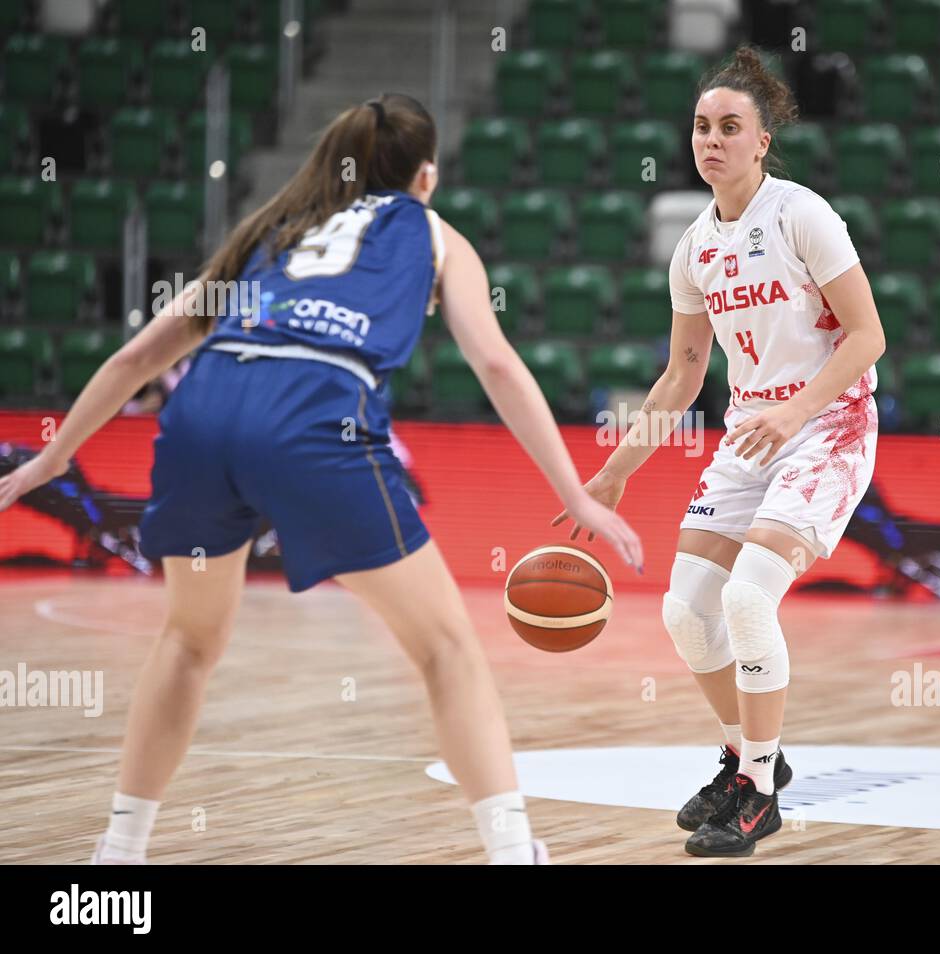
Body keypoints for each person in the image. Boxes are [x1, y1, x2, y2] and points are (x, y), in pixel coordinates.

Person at [0, 93, 642, 866]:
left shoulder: (275, 226)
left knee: (188, 640)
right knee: (446, 648)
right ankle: (513, 853)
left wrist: (54, 455)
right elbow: (498, 363)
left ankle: (119, 852)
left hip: (204, 409)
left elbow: (142, 357)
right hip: (313, 415)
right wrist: (573, 492)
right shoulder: (434, 234)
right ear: (426, 176)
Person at [554, 47, 885, 858]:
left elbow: (870, 336)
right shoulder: (694, 247)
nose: (712, 140)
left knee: (747, 601)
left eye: (730, 127)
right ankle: (750, 761)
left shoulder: (803, 214)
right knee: (685, 611)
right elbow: (681, 375)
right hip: (750, 437)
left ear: (763, 140)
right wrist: (611, 475)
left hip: (828, 429)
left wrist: (797, 410)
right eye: (702, 126)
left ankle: (762, 798)